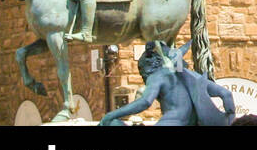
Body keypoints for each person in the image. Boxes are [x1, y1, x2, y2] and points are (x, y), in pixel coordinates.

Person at [99, 41, 235, 126]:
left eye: (141, 71)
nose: (143, 76)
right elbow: (226, 94)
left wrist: (112, 114)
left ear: (148, 65)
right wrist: (230, 119)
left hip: (170, 123)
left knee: (113, 123)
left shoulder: (157, 76)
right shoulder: (191, 77)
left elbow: (145, 102)